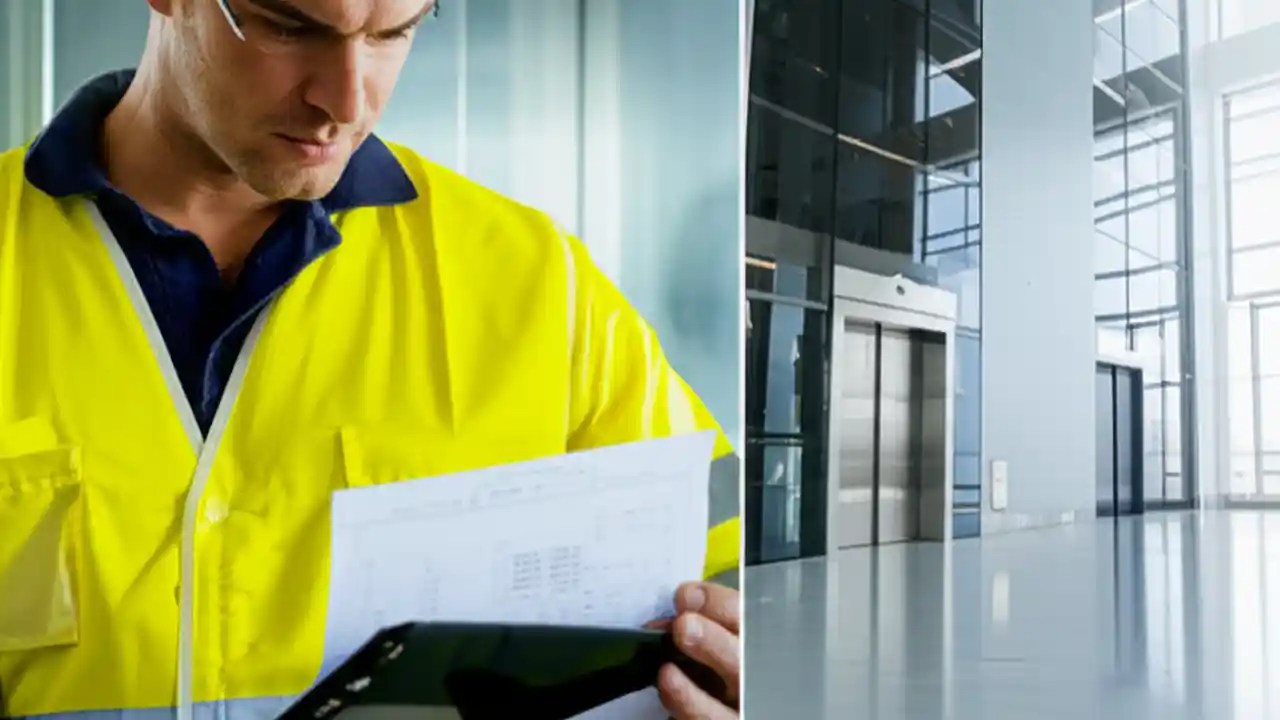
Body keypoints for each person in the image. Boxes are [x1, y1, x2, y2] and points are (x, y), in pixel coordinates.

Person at [0, 0, 741, 718]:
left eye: (395, 33)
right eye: (291, 26)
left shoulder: (538, 285)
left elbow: (733, 579)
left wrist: (741, 674)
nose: (346, 100)